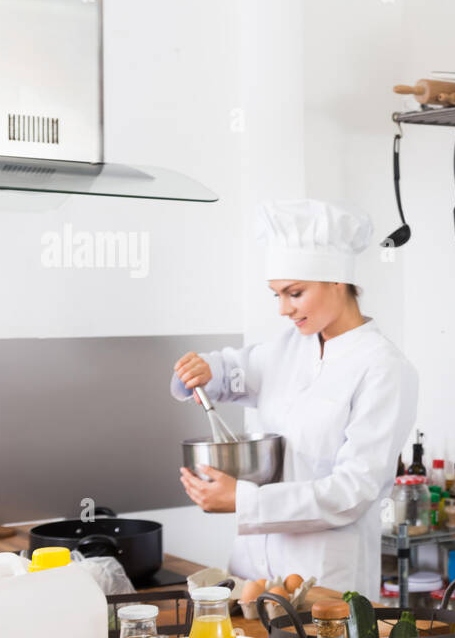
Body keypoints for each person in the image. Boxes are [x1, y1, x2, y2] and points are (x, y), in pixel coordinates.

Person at [172, 199, 418, 603]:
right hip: (252, 574)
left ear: (337, 281)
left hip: (325, 583)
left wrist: (243, 500)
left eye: (295, 293)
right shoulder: (288, 348)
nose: (285, 309)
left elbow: (352, 491)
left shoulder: (383, 368)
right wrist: (202, 370)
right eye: (277, 296)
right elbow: (232, 370)